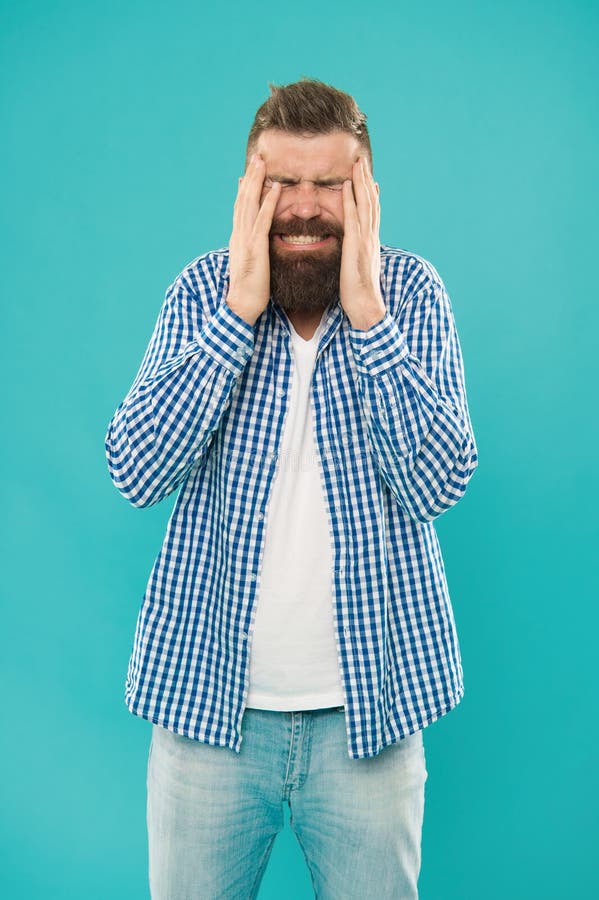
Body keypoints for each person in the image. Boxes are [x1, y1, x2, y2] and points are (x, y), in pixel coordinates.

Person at [105, 77, 478, 900]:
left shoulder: (411, 297)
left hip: (370, 719)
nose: (304, 208)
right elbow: (134, 469)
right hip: (207, 717)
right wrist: (236, 315)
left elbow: (439, 481)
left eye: (329, 184)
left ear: (366, 192)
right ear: (248, 189)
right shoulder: (202, 291)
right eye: (281, 182)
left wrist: (370, 319)